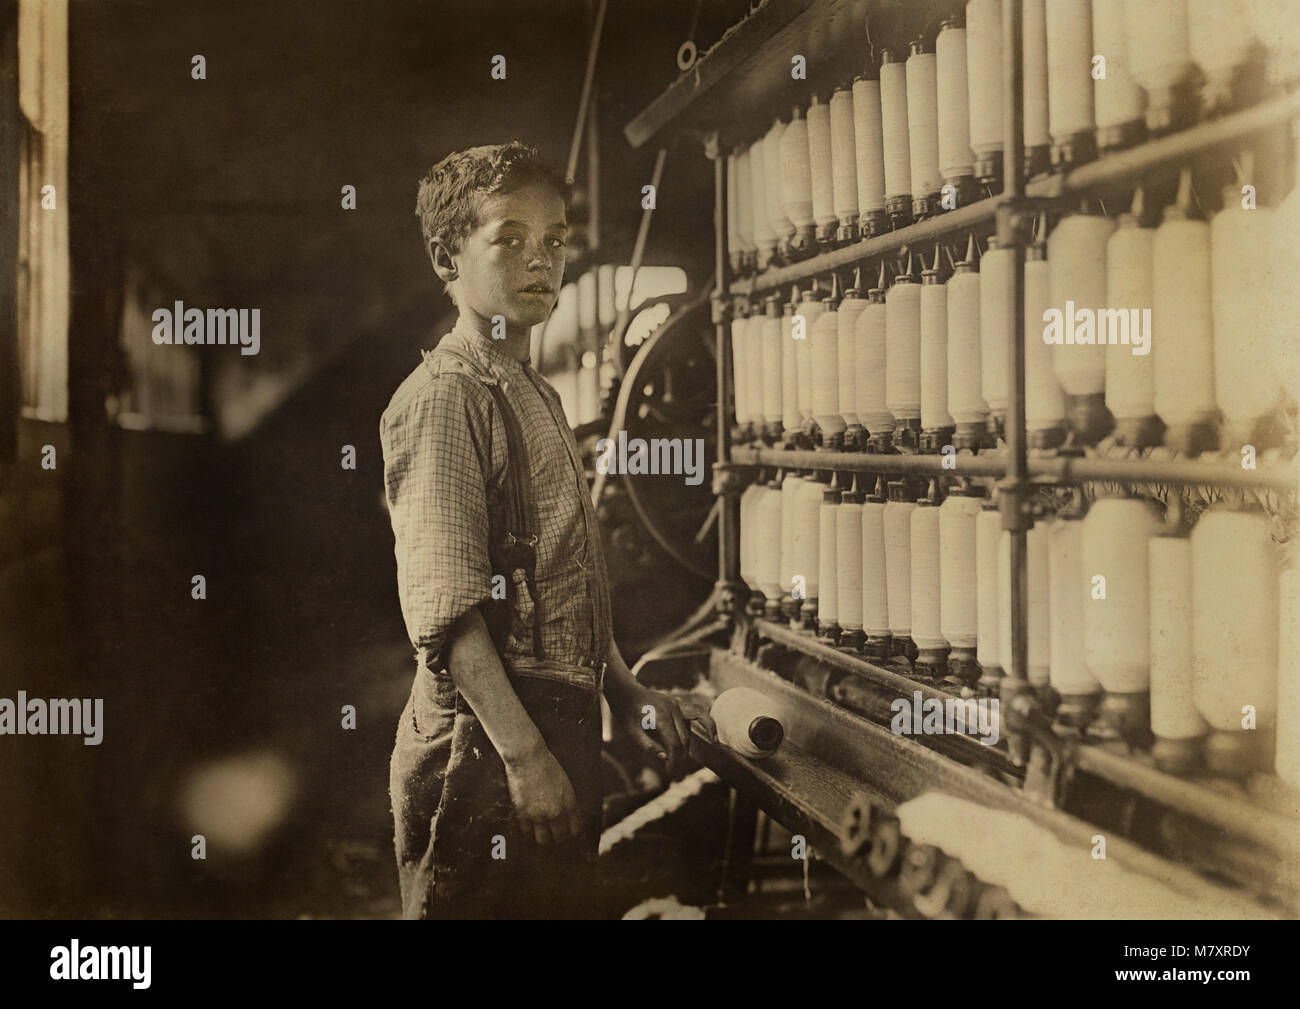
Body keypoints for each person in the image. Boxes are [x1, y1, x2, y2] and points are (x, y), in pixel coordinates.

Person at [382, 141, 696, 919]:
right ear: (447, 255)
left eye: (554, 241)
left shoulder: (531, 391)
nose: (541, 262)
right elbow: (448, 612)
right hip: (479, 745)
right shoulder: (445, 398)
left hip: (550, 720)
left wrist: (623, 693)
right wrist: (524, 759)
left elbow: (560, 580)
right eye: (510, 240)